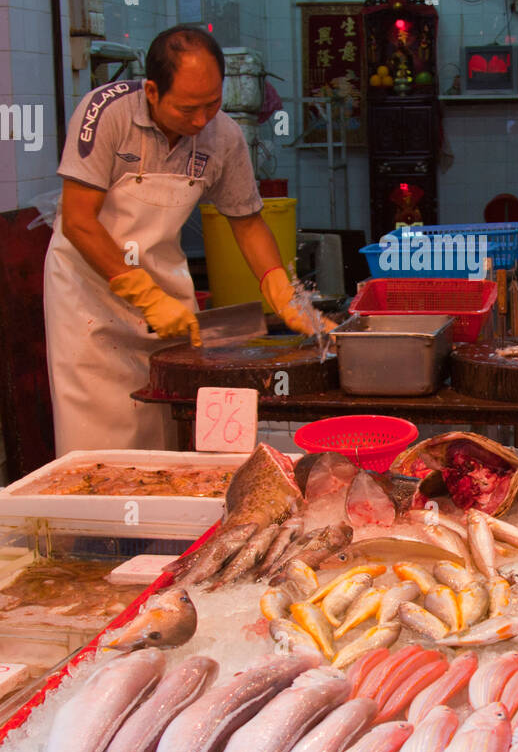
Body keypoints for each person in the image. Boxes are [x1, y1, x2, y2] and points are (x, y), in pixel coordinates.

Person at [44, 25, 329, 454]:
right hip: (88, 300)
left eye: (212, 104)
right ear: (153, 92)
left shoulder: (225, 136)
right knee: (99, 439)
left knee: (173, 427)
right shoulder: (107, 113)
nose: (200, 121)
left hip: (166, 292)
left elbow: (247, 222)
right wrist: (142, 293)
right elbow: (79, 221)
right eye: (187, 109)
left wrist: (281, 290)